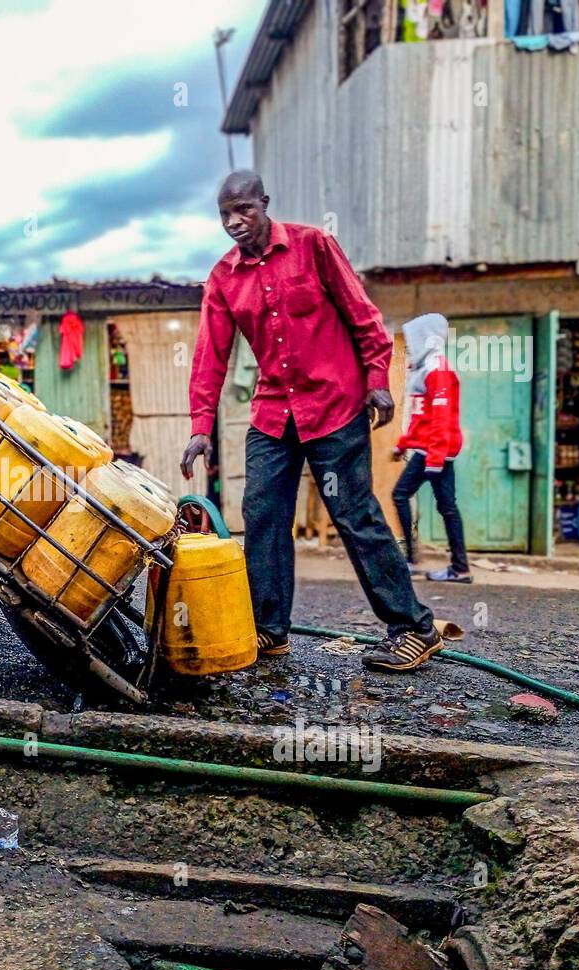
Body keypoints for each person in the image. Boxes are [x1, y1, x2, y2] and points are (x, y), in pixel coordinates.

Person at [181, 170, 441, 672]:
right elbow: (209, 355)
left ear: (264, 203)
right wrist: (199, 425)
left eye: (244, 210)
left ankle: (414, 628)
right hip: (274, 413)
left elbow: (362, 313)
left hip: (334, 406)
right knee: (262, 516)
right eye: (224, 215)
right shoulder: (223, 278)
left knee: (354, 514)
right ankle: (269, 630)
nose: (234, 222)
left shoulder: (314, 246)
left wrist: (377, 376)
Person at [390, 313, 471, 582]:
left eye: (415, 340)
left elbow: (441, 418)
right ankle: (459, 568)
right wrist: (403, 445)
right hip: (431, 450)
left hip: (435, 452)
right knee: (447, 506)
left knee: (402, 495)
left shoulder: (439, 370)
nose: (412, 346)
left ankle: (415, 560)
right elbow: (420, 417)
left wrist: (435, 458)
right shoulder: (425, 370)